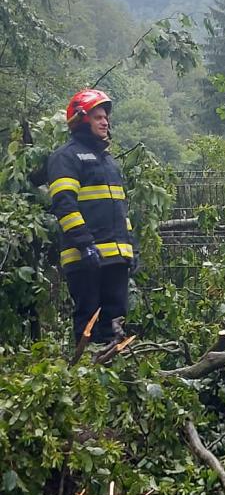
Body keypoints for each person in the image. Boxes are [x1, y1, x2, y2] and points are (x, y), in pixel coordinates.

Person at [47, 89, 135, 344]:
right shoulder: (66, 157)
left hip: (116, 259)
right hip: (85, 259)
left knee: (116, 325)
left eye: (105, 116)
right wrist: (85, 245)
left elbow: (120, 210)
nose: (105, 121)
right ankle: (86, 375)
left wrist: (131, 248)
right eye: (97, 116)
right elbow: (64, 205)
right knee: (89, 323)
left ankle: (115, 378)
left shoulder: (108, 162)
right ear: (81, 119)